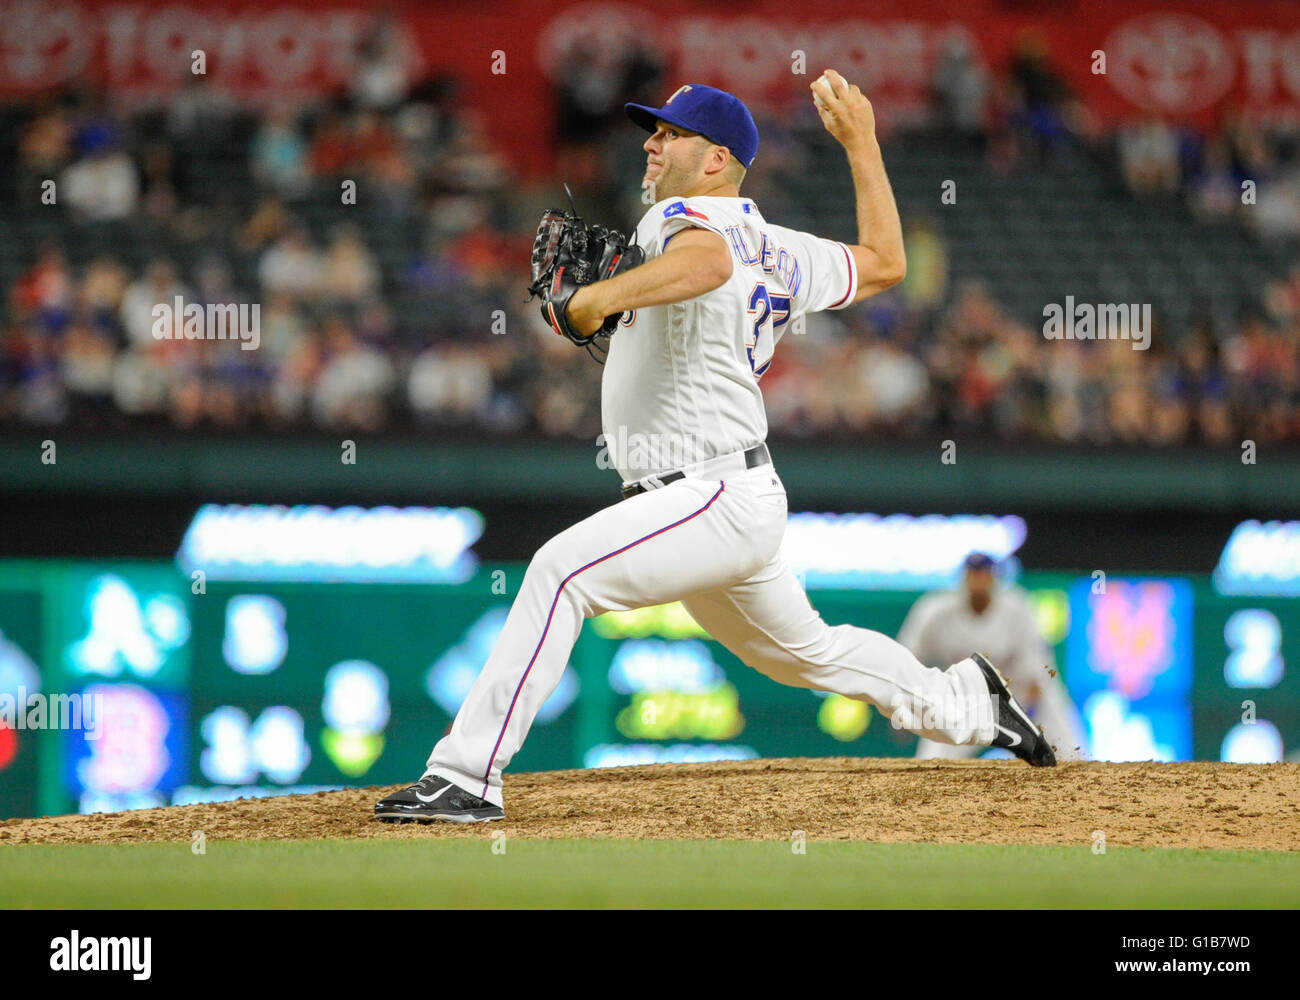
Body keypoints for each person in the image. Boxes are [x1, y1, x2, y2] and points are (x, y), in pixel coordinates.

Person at [376, 72, 1055, 824]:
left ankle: (468, 774)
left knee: (559, 573)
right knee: (810, 653)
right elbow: (886, 261)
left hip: (708, 494)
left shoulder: (687, 218)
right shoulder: (783, 249)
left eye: (671, 134)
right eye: (652, 131)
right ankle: (970, 704)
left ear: (716, 159)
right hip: (728, 497)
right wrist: (862, 144)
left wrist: (598, 298)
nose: (653, 144)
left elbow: (709, 265)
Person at [902, 553, 1087, 762]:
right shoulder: (935, 610)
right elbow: (908, 655)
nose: (979, 579)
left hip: (1018, 691)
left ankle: (1081, 773)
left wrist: (1028, 719)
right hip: (968, 696)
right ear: (964, 577)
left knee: (1071, 752)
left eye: (984, 573)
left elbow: (1037, 664)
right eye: (974, 573)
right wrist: (909, 704)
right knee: (933, 759)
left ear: (994, 577)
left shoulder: (1017, 607)